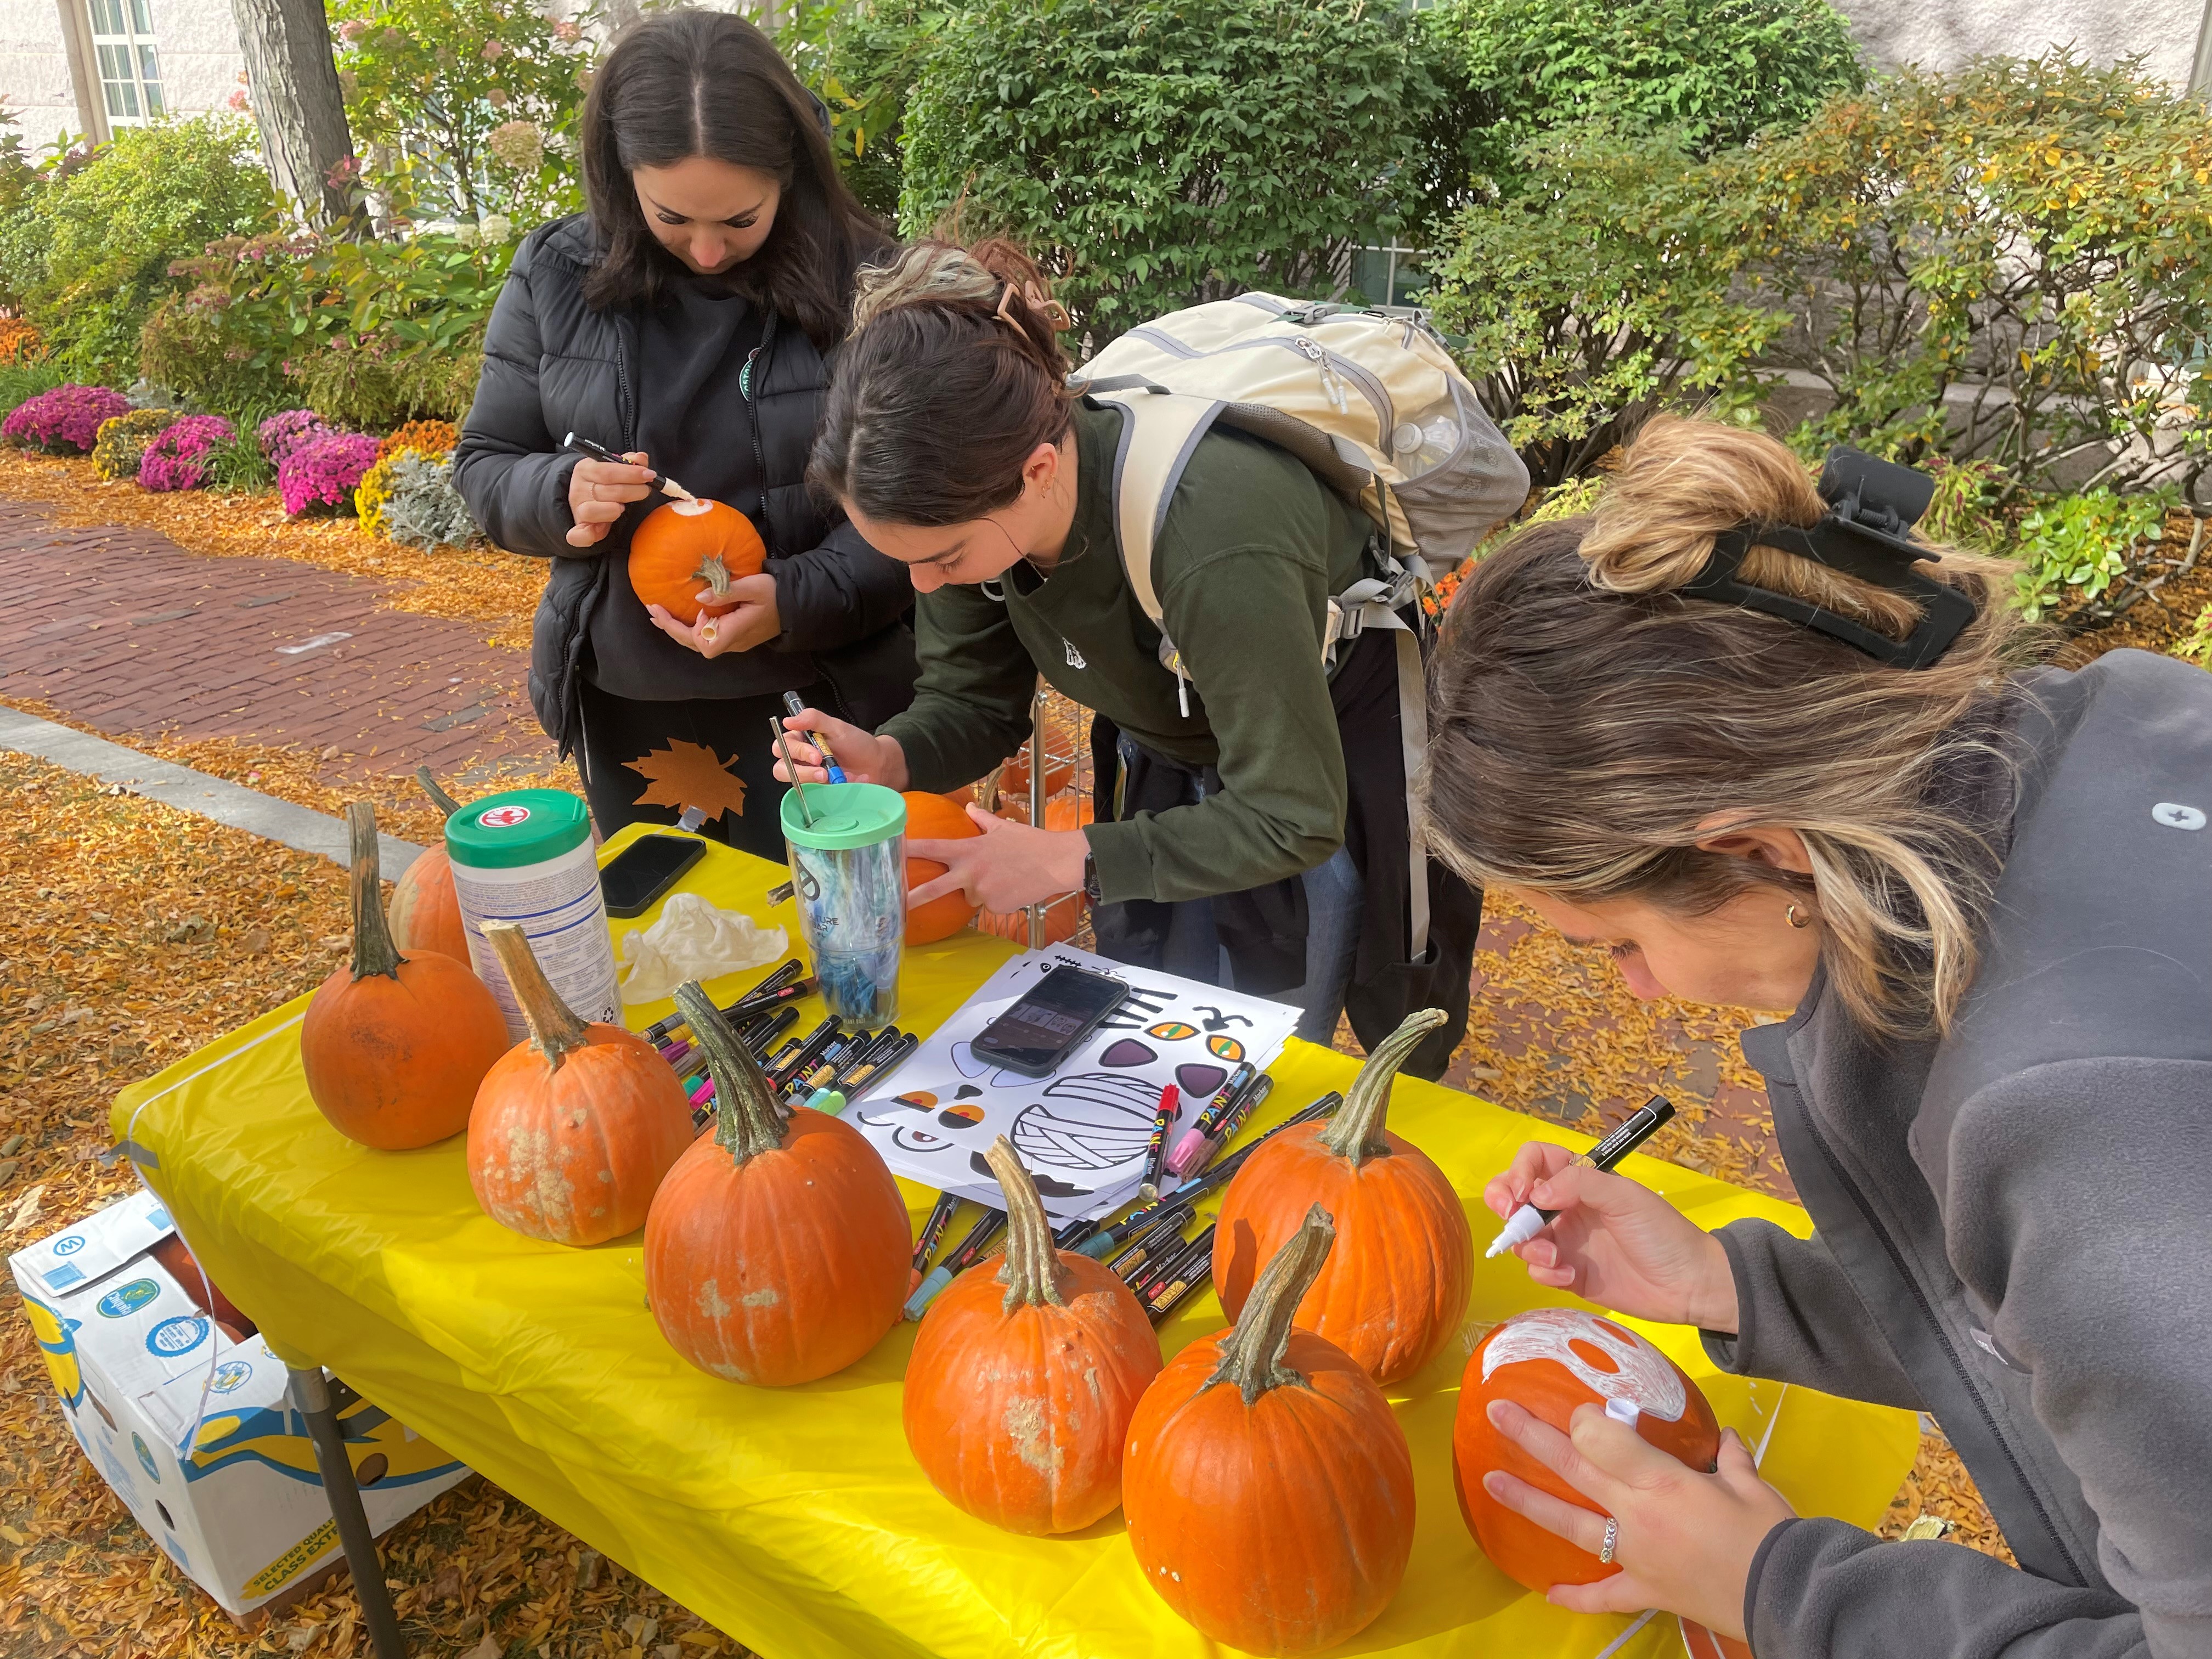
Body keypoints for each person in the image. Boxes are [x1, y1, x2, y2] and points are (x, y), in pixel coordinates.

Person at [1419, 415, 2211, 1655]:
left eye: (1616, 946)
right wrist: (1728, 1284)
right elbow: (2047, 1326)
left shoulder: (2079, 1124)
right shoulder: (2117, 717)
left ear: (1754, 851)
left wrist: (1778, 1589)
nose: (1636, 994)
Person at [775, 238, 1486, 1068]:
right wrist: (895, 754)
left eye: (945, 558)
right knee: (1180, 1004)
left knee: (1342, 1013)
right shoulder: (971, 509)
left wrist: (1070, 854)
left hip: (1333, 747)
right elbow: (974, 702)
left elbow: (1293, 811)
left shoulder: (1215, 532)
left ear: (1037, 470)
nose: (927, 587)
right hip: (1176, 733)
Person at [452, 9, 914, 859]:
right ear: (620, 175)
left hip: (819, 687)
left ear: (791, 177)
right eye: (673, 218)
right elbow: (487, 464)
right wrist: (561, 493)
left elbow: (919, 509)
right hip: (627, 695)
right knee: (676, 934)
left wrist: (794, 597)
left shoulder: (869, 285)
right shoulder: (557, 272)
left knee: (827, 928)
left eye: (741, 220)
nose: (707, 251)